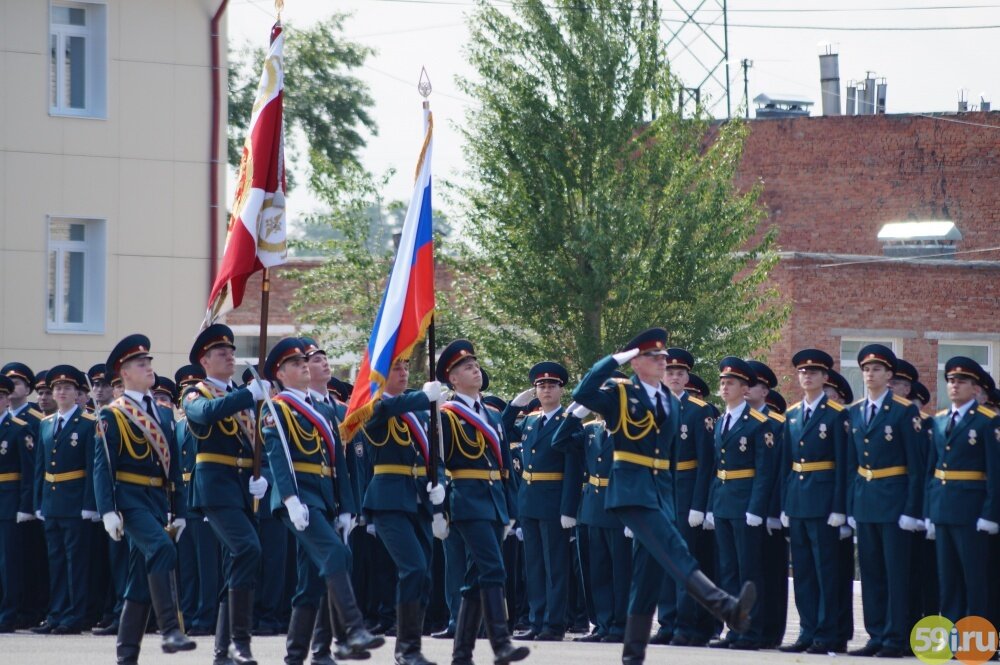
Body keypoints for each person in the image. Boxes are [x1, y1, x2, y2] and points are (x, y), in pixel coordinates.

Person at [572, 329, 754, 664]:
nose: (663, 362)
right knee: (677, 551)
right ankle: (725, 606)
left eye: (663, 357)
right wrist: (614, 360)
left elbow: (668, 459)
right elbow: (582, 392)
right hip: (630, 490)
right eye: (654, 357)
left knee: (648, 577)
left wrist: (669, 504)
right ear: (637, 362)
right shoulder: (620, 392)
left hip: (660, 493)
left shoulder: (670, 401)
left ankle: (633, 655)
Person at [258, 337, 383, 664]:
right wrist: (289, 498)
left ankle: (303, 653)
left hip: (325, 498)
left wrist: (346, 507)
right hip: (299, 498)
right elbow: (277, 456)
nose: (303, 366)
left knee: (312, 578)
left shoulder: (326, 408)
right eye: (296, 364)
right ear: (281, 374)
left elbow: (339, 462)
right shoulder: (278, 407)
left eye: (304, 361)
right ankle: (352, 630)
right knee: (335, 553)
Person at [92, 334, 195, 662]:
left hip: (156, 502)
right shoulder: (113, 415)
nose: (148, 367)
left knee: (138, 584)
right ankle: (169, 631)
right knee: (163, 549)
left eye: (149, 361)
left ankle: (126, 657)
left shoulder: (163, 413)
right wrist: (108, 510)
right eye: (141, 363)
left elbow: (174, 466)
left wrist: (177, 509)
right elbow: (102, 467)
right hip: (130, 501)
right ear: (124, 373)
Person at [435, 339, 529, 665]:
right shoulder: (446, 415)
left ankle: (462, 654)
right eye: (465, 367)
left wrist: (512, 511)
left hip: (493, 503)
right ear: (452, 379)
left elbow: (505, 467)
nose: (474, 369)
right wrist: (438, 507)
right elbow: (436, 461)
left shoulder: (491, 415)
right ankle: (501, 643)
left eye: (475, 364)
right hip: (466, 501)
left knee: (475, 580)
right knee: (493, 569)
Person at [182, 324, 269, 665]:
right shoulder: (195, 392)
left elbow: (255, 445)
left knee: (238, 561)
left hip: (241, 489)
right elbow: (205, 415)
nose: (230, 356)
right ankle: (240, 644)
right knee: (248, 548)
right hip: (214, 487)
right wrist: (249, 394)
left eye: (232, 352)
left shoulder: (243, 395)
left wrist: (260, 478)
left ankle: (224, 651)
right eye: (221, 353)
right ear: (205, 360)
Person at [355, 353, 447, 665]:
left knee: (424, 577)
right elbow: (384, 408)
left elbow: (434, 454)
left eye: (407, 366)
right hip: (388, 499)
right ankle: (406, 649)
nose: (404, 372)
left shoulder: (418, 410)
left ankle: (411, 648)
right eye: (397, 367)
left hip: (418, 499)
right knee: (413, 569)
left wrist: (439, 484)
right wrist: (423, 397)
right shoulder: (373, 405)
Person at [843, 345, 924, 658]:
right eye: (866, 368)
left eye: (877, 369)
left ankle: (896, 637)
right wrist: (851, 507)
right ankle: (876, 634)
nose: (870, 374)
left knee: (895, 573)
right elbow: (853, 465)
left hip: (895, 500)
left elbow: (915, 466)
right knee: (871, 573)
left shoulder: (904, 411)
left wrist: (911, 510)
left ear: (889, 375)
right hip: (866, 500)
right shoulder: (856, 411)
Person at [777, 350, 848, 655]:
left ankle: (827, 632)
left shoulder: (836, 414)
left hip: (823, 500)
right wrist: (782, 505)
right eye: (803, 373)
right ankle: (807, 630)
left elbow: (844, 465)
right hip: (797, 499)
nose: (807, 377)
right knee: (803, 571)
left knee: (826, 571)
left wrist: (839, 508)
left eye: (814, 373)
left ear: (824, 378)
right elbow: (785, 463)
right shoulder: (791, 415)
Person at [504, 362, 581, 642]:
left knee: (555, 568)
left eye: (552, 385)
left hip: (554, 501)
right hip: (529, 501)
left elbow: (573, 468)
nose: (546, 390)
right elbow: (501, 430)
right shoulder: (529, 421)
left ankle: (554, 623)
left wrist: (568, 509)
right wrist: (514, 406)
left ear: (561, 389)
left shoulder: (568, 423)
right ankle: (536, 622)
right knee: (533, 567)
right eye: (541, 386)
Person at [706, 356, 776, 651]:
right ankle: (733, 629)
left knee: (749, 572)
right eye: (722, 382)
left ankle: (750, 631)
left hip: (745, 503)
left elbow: (765, 471)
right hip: (723, 502)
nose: (724, 387)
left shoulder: (760, 424)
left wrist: (756, 509)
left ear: (745, 388)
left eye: (730, 383)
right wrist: (710, 505)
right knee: (728, 571)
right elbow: (715, 467)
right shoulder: (721, 421)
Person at [925, 357, 1000, 623]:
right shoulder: (940, 420)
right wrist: (928, 512)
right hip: (943, 508)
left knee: (974, 578)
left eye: (962, 381)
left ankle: (975, 637)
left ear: (975, 388)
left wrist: (991, 514)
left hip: (972, 510)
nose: (955, 386)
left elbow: (995, 472)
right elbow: (931, 471)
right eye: (951, 381)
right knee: (949, 579)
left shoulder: (987, 421)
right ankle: (954, 635)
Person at [32, 365, 97, 635]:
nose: (60, 392)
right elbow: (40, 466)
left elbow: (93, 468)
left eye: (67, 388)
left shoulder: (88, 423)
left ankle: (75, 614)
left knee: (76, 563)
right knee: (55, 561)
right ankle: (56, 613)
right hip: (51, 501)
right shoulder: (46, 424)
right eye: (57, 388)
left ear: (77, 393)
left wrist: (89, 505)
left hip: (75, 502)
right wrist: (38, 503)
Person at [0, 375, 35, 632]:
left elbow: (28, 472)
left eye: (1, 397)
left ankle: (8, 613)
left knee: (8, 562)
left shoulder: (18, 428)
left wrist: (25, 505)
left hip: (8, 501)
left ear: (6, 400)